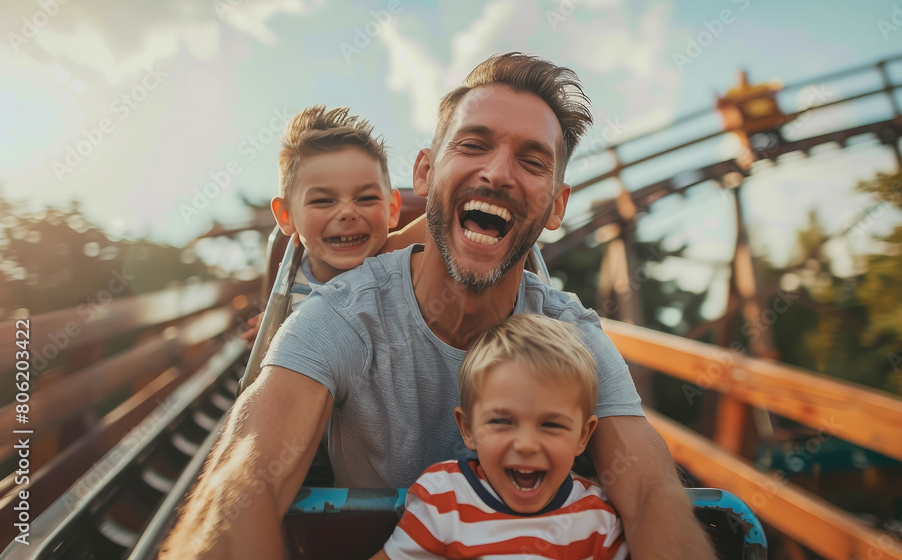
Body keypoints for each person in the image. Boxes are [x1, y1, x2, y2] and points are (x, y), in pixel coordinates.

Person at [161, 52, 713, 559]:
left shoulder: (569, 334)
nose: (498, 173)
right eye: (473, 145)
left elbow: (650, 492)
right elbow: (243, 484)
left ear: (556, 205)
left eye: (532, 161)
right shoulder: (343, 315)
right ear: (425, 172)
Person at [373, 313, 628, 560]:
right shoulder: (443, 501)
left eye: (551, 424)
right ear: (468, 429)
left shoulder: (599, 521)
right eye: (502, 421)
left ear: (583, 436)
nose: (526, 445)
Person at [237, 104, 425, 344]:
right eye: (323, 201)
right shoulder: (288, 284)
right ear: (286, 216)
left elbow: (442, 221)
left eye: (366, 198)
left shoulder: (391, 257)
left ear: (392, 208)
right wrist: (274, 321)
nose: (347, 212)